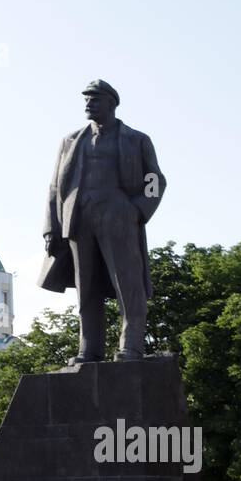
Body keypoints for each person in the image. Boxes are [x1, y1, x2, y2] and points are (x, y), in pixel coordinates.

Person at [38, 79, 165, 362]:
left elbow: (155, 180)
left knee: (127, 285)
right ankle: (89, 349)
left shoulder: (136, 139)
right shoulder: (70, 141)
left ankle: (130, 346)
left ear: (111, 103)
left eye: (94, 99)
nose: (88, 103)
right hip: (79, 219)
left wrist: (137, 210)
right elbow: (54, 188)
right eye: (86, 99)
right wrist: (51, 228)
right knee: (87, 288)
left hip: (118, 216)